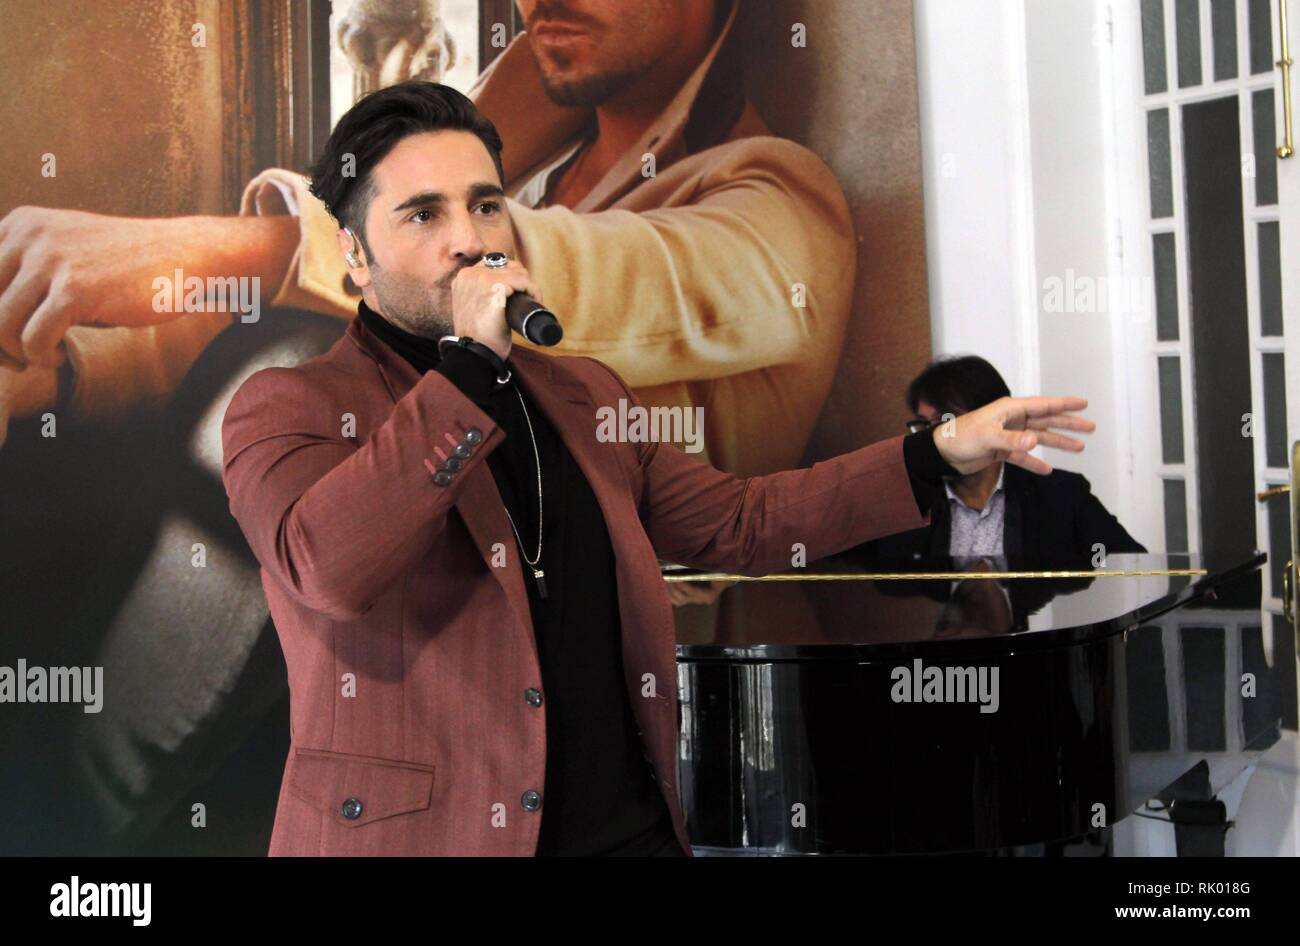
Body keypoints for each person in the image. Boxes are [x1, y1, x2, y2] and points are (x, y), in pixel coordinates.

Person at [220, 81, 1095, 856]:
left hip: (623, 831)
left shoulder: (581, 393)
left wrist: (942, 451)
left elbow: (744, 523)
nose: (469, 240)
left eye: (486, 206)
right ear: (353, 254)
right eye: (424, 215)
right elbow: (330, 569)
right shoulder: (285, 404)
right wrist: (470, 375)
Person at [0, 0, 854, 481]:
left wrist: (220, 248)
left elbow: (539, 281)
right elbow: (322, 303)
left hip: (557, 701)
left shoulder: (782, 210)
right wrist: (61, 363)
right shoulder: (501, 153)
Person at [855, 355, 1144, 566]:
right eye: (924, 426)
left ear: (996, 420)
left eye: (949, 424)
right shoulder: (902, 507)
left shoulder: (1060, 495)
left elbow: (1134, 571)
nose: (938, 440)